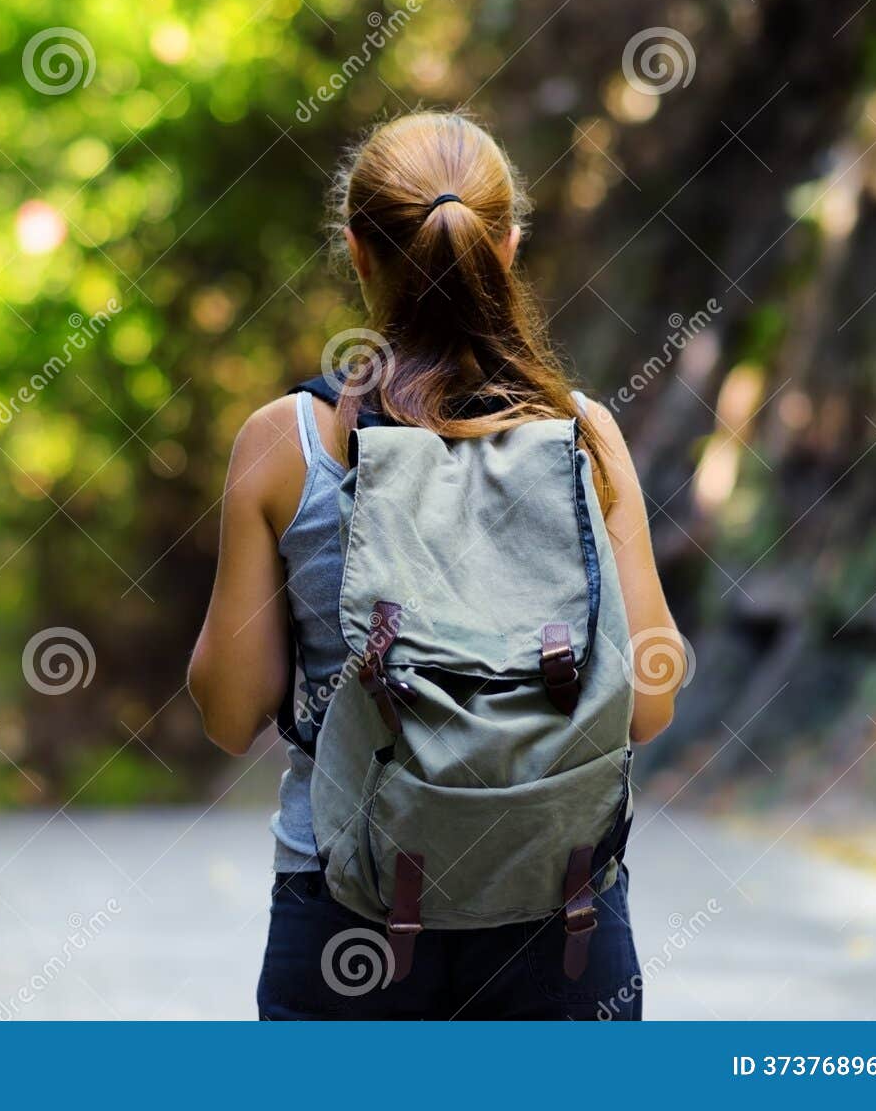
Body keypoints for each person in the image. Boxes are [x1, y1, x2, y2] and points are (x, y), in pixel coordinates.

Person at [186, 111, 685, 1019]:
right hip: (559, 914)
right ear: (508, 247)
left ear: (355, 250)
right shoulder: (583, 439)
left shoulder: (285, 443)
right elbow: (648, 703)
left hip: (347, 912)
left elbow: (228, 713)